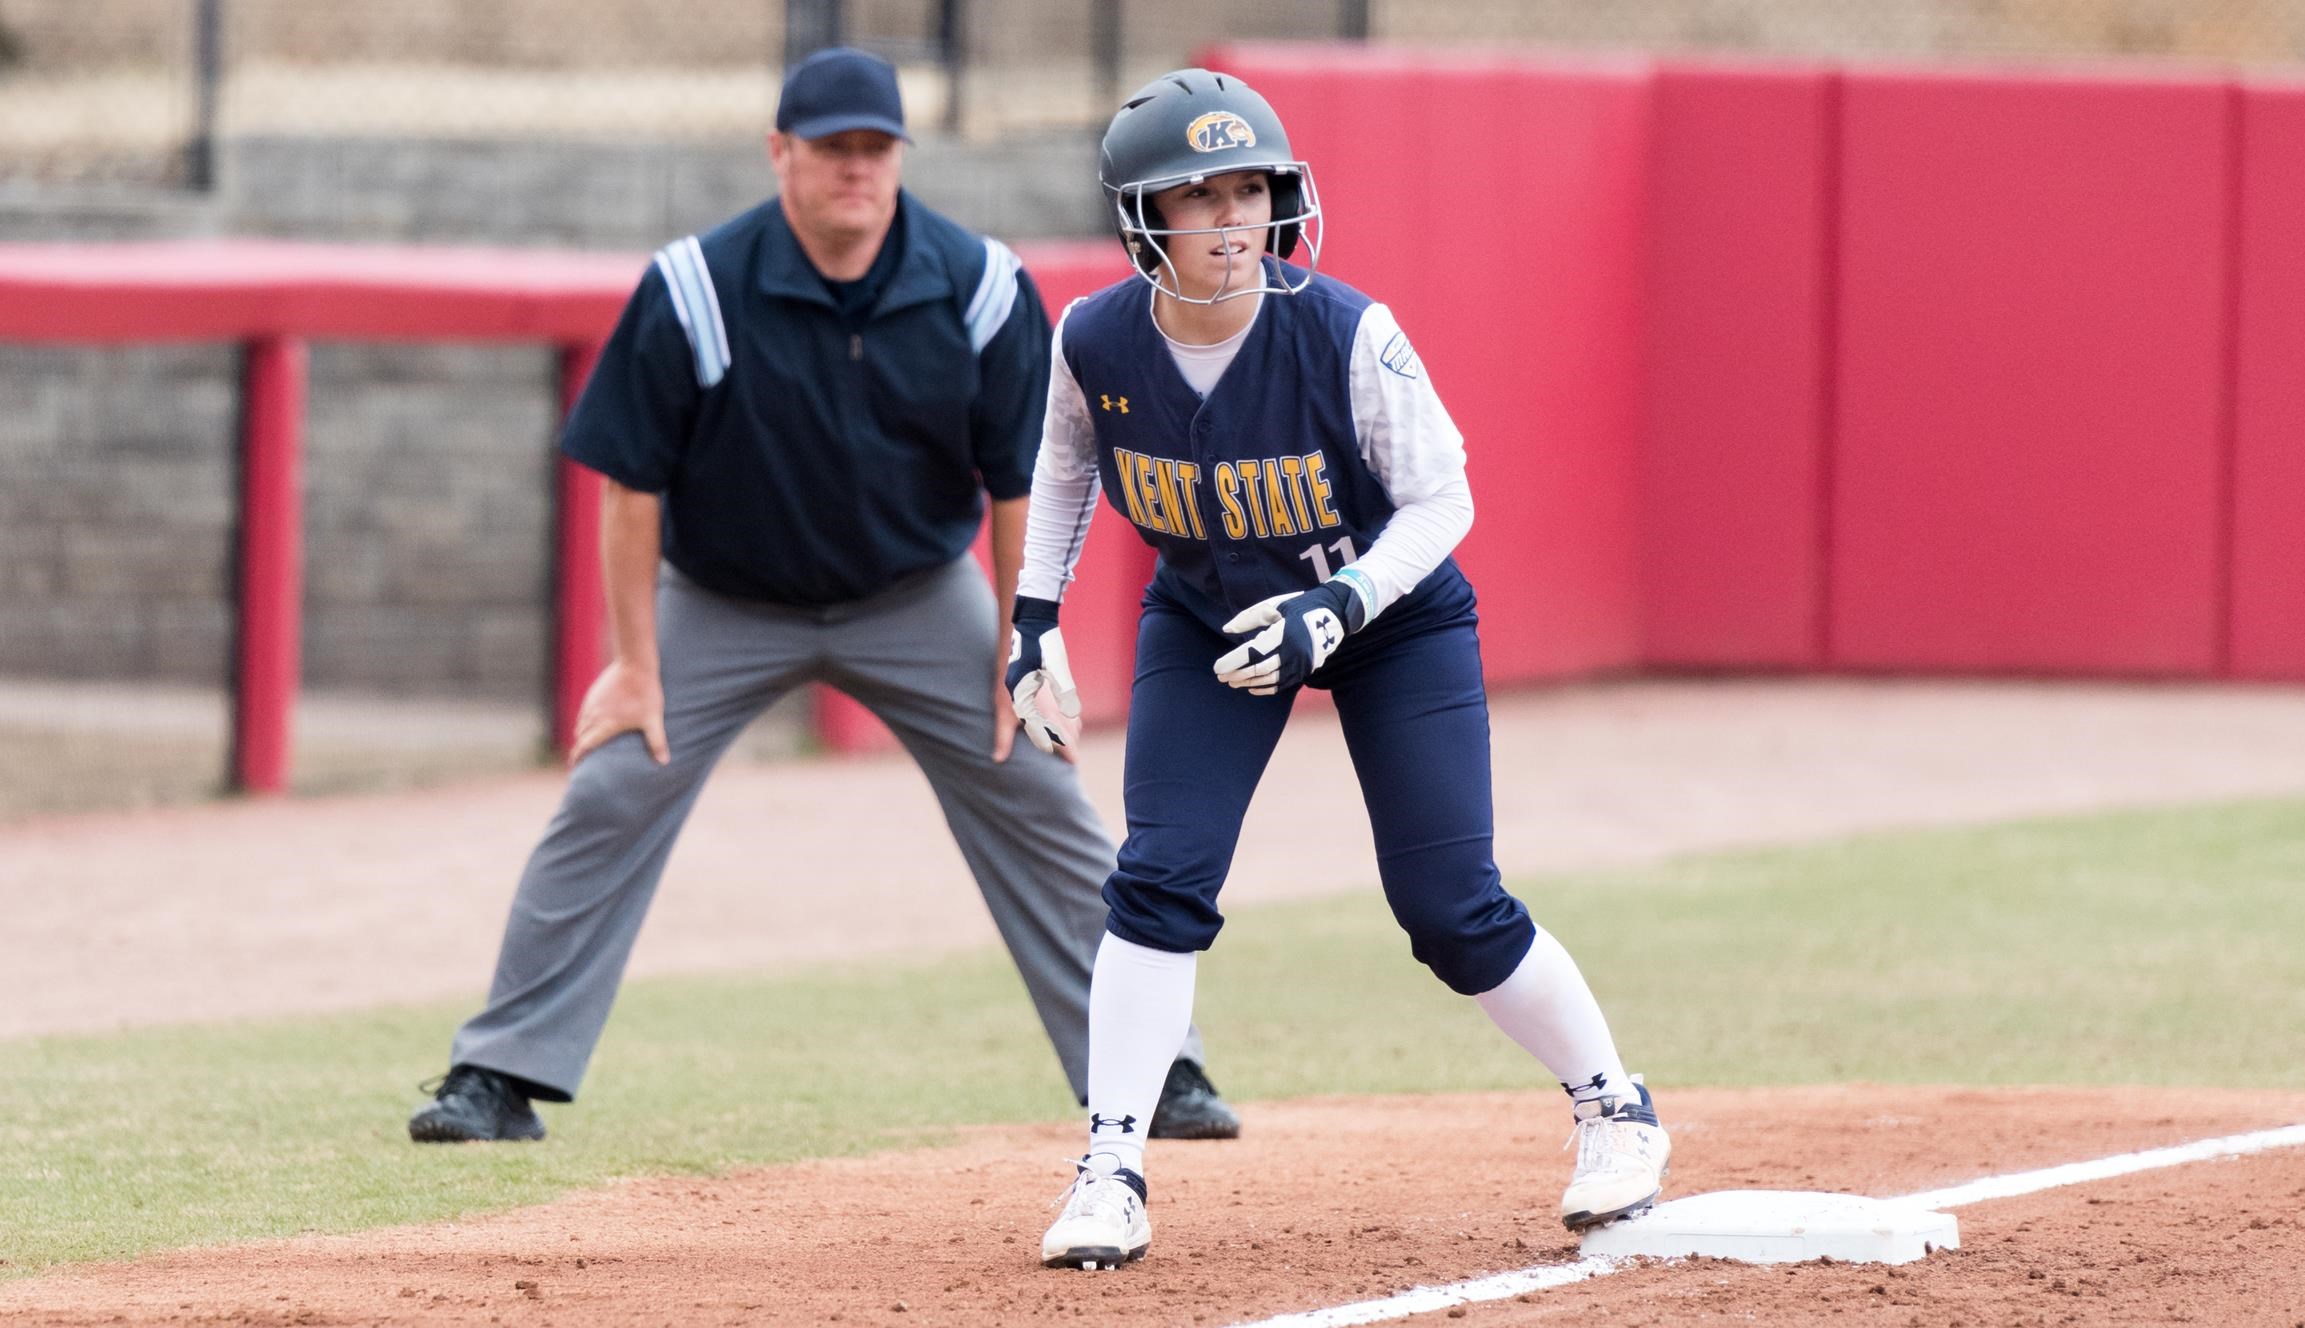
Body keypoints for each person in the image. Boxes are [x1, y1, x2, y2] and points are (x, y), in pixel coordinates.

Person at [407, 48, 1236, 1146]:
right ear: (779, 154)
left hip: (917, 593)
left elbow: (1018, 483)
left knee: (1036, 776)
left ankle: (1155, 1066)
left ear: (898, 158)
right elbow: (629, 486)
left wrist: (1018, 645)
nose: (855, 169)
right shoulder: (696, 287)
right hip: (723, 598)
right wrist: (637, 663)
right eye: (831, 148)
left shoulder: (978, 284)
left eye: (873, 149)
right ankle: (495, 1073)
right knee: (613, 779)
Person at [1005, 69, 1671, 1271]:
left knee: (1447, 907)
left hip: (1389, 617)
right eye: (1196, 194)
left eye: (1248, 189)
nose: (1230, 219)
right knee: (1156, 877)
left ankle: (1612, 1105)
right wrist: (1033, 617)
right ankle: (1110, 1163)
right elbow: (1064, 462)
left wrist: (1339, 601)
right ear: (1138, 219)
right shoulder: (1093, 336)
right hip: (1207, 615)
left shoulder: (1343, 329)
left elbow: (1443, 496)